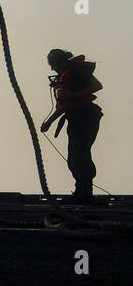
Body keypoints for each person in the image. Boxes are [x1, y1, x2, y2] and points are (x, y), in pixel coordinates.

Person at [41, 49, 103, 204]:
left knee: (80, 155)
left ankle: (85, 194)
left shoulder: (74, 71)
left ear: (59, 62)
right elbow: (65, 106)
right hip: (78, 118)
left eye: (52, 64)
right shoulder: (68, 75)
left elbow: (97, 85)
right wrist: (49, 122)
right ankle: (81, 192)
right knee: (75, 157)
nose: (51, 68)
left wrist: (72, 95)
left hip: (85, 117)